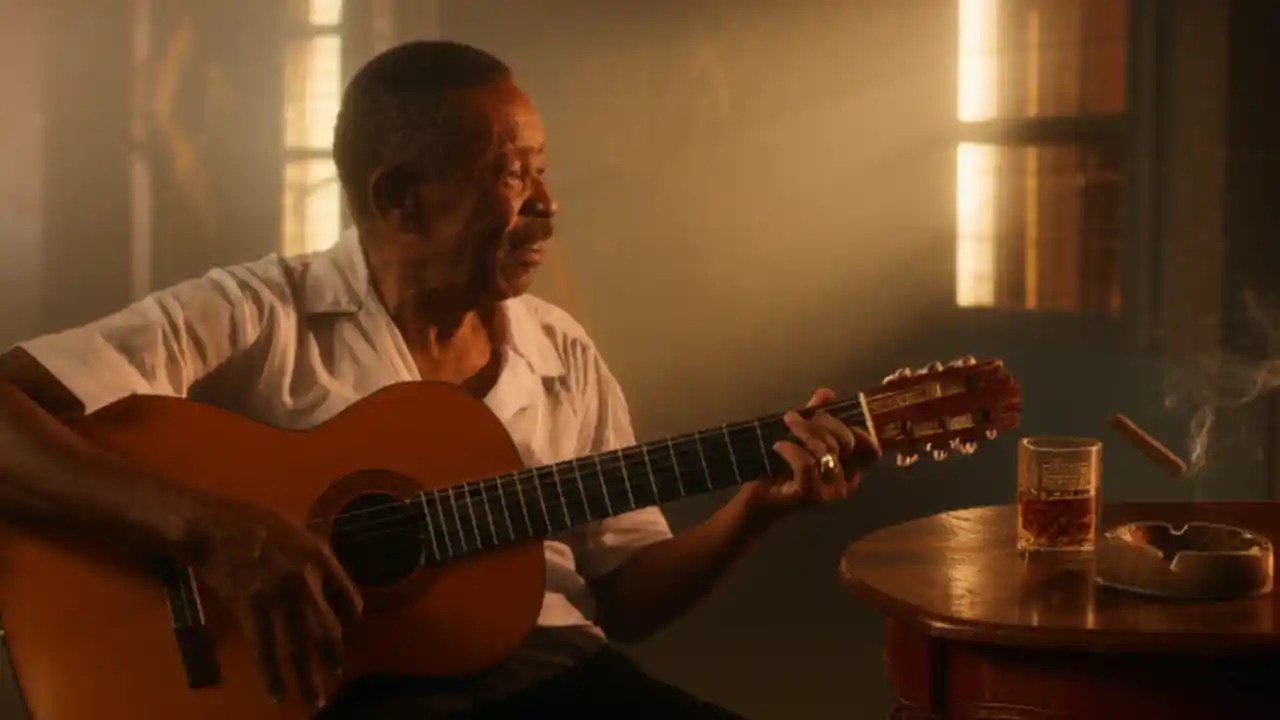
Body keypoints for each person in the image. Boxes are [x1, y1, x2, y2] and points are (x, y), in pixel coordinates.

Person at [0, 41, 881, 718]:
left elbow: (627, 596)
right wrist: (209, 532)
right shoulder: (254, 312)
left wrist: (755, 509)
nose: (547, 204)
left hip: (554, 685)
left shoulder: (560, 350)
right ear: (400, 199)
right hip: (333, 696)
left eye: (542, 169)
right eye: (510, 172)